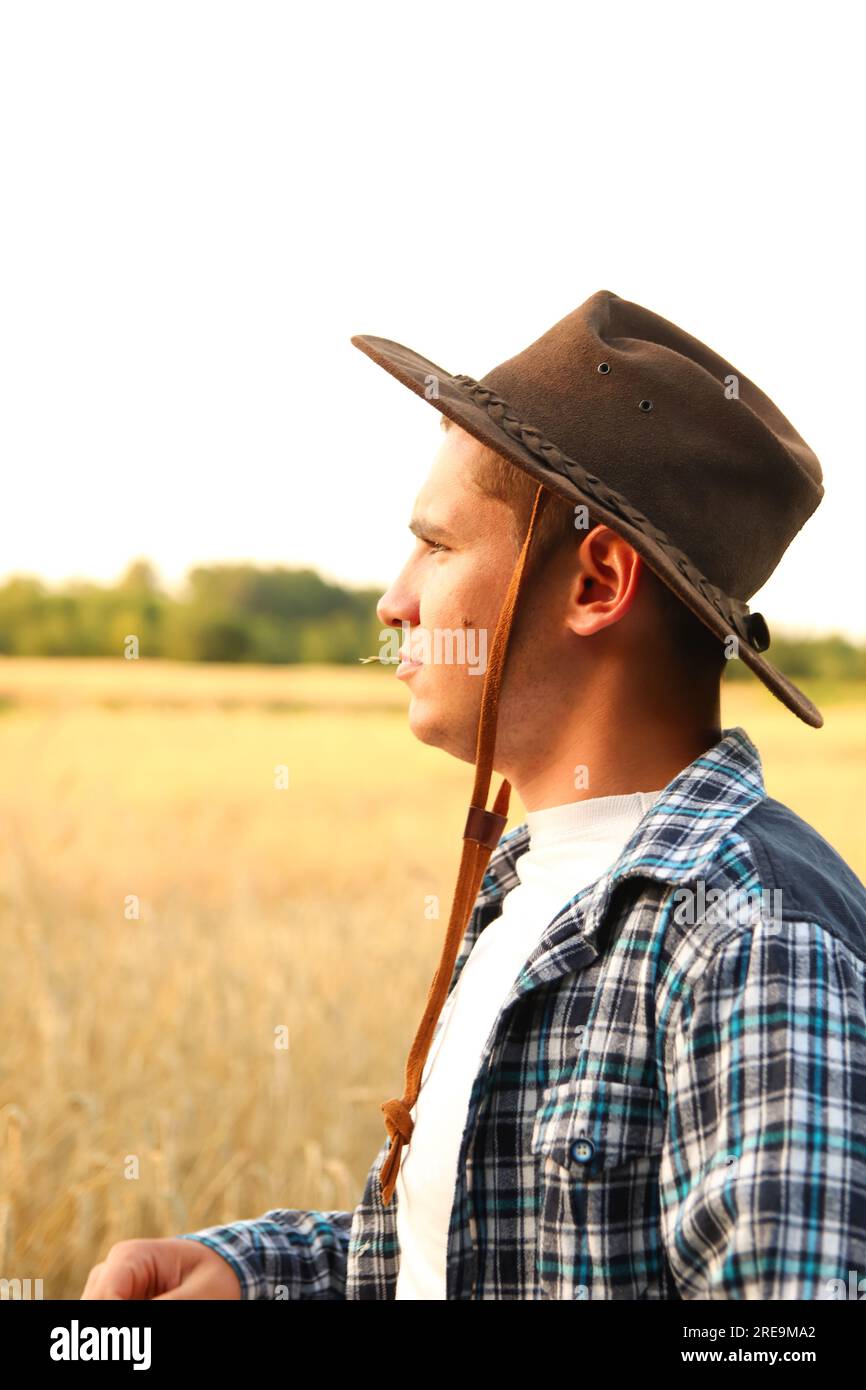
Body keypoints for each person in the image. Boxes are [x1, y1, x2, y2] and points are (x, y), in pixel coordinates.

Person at [81, 290, 866, 1300]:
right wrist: (250, 1277)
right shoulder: (530, 884)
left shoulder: (754, 941)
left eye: (437, 544)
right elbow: (479, 1256)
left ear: (595, 583)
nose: (392, 598)